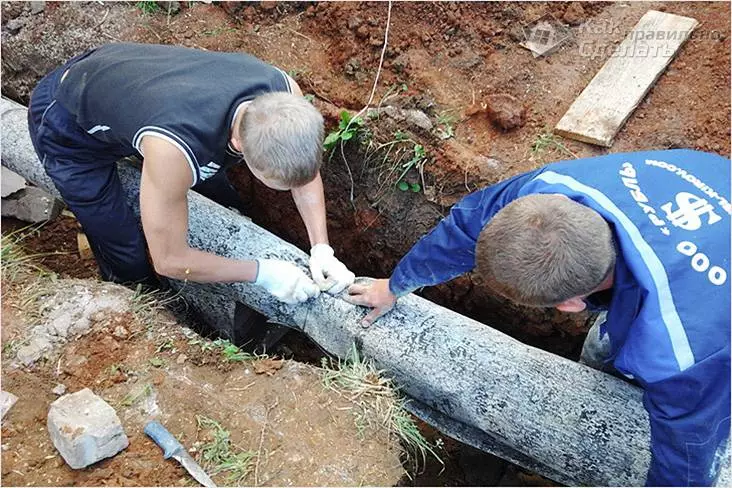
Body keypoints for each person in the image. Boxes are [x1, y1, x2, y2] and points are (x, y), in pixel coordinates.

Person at [347, 149, 730, 486]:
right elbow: (463, 229)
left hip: (713, 305)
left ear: (571, 305)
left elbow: (689, 448)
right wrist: (394, 286)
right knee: (610, 350)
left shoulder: (683, 348)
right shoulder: (546, 194)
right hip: (711, 186)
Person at [27, 43, 354, 304]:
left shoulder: (284, 97)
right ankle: (143, 302)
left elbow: (305, 173)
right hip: (68, 121)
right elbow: (168, 259)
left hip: (135, 85)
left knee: (219, 193)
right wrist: (261, 273)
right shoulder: (174, 148)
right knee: (123, 245)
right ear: (239, 144)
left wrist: (321, 247)